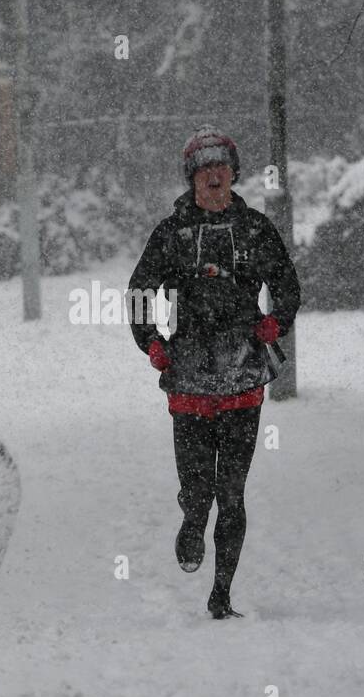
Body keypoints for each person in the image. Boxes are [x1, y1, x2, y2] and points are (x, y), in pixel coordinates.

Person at [128, 126, 301, 619]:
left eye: (221, 166)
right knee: (198, 488)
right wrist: (152, 343)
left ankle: (221, 594)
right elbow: (139, 292)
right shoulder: (171, 234)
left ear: (233, 174)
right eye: (204, 168)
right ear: (191, 177)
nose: (214, 175)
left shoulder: (256, 230)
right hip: (187, 378)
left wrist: (274, 323)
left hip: (244, 375)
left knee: (233, 493)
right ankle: (191, 518)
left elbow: (288, 285)